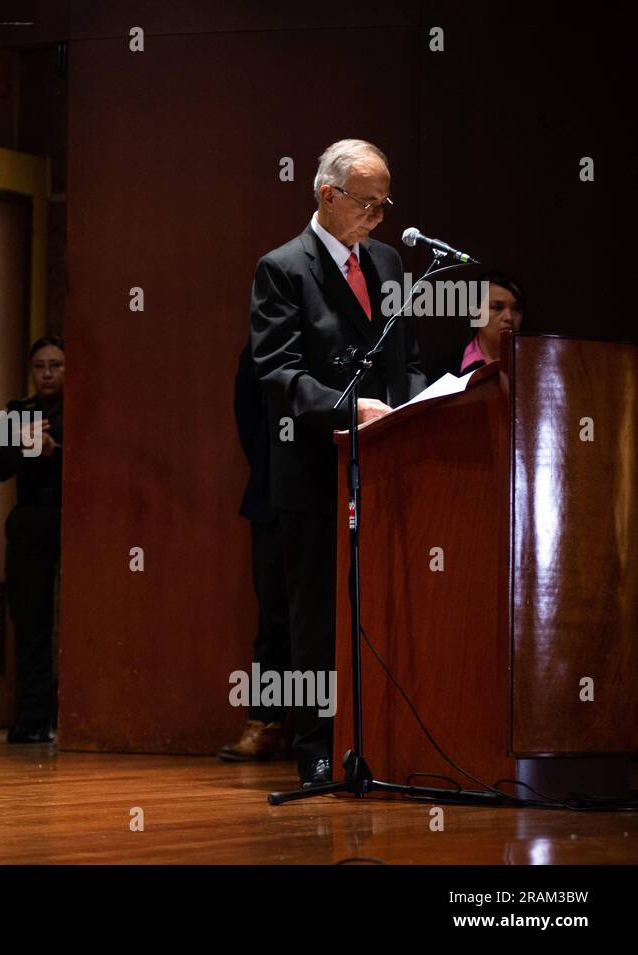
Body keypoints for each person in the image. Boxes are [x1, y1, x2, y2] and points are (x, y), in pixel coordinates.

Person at [249, 139, 426, 787]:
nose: (378, 217)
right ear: (327, 195)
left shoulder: (388, 261)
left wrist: (410, 408)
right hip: (314, 470)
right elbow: (279, 374)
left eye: (385, 204)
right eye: (368, 203)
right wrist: (352, 410)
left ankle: (383, 740)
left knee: (386, 607)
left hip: (384, 464)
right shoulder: (283, 268)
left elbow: (407, 356)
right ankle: (319, 748)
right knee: (317, 620)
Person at [219, 340, 292, 761]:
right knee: (274, 617)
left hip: (334, 490)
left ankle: (331, 729)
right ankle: (266, 721)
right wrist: (271, 472)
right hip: (273, 493)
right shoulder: (261, 346)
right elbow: (247, 417)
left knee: (330, 619)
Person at [0, 336, 65, 743]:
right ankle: (32, 719)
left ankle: (66, 717)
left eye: (56, 365)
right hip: (30, 517)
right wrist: (24, 447)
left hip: (73, 519)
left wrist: (53, 450)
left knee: (72, 621)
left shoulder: (83, 406)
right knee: (29, 620)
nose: (47, 374)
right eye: (39, 366)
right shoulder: (17, 412)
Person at [430, 271, 525, 379]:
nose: (509, 317)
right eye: (497, 307)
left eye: (516, 309)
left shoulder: (533, 364)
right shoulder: (446, 371)